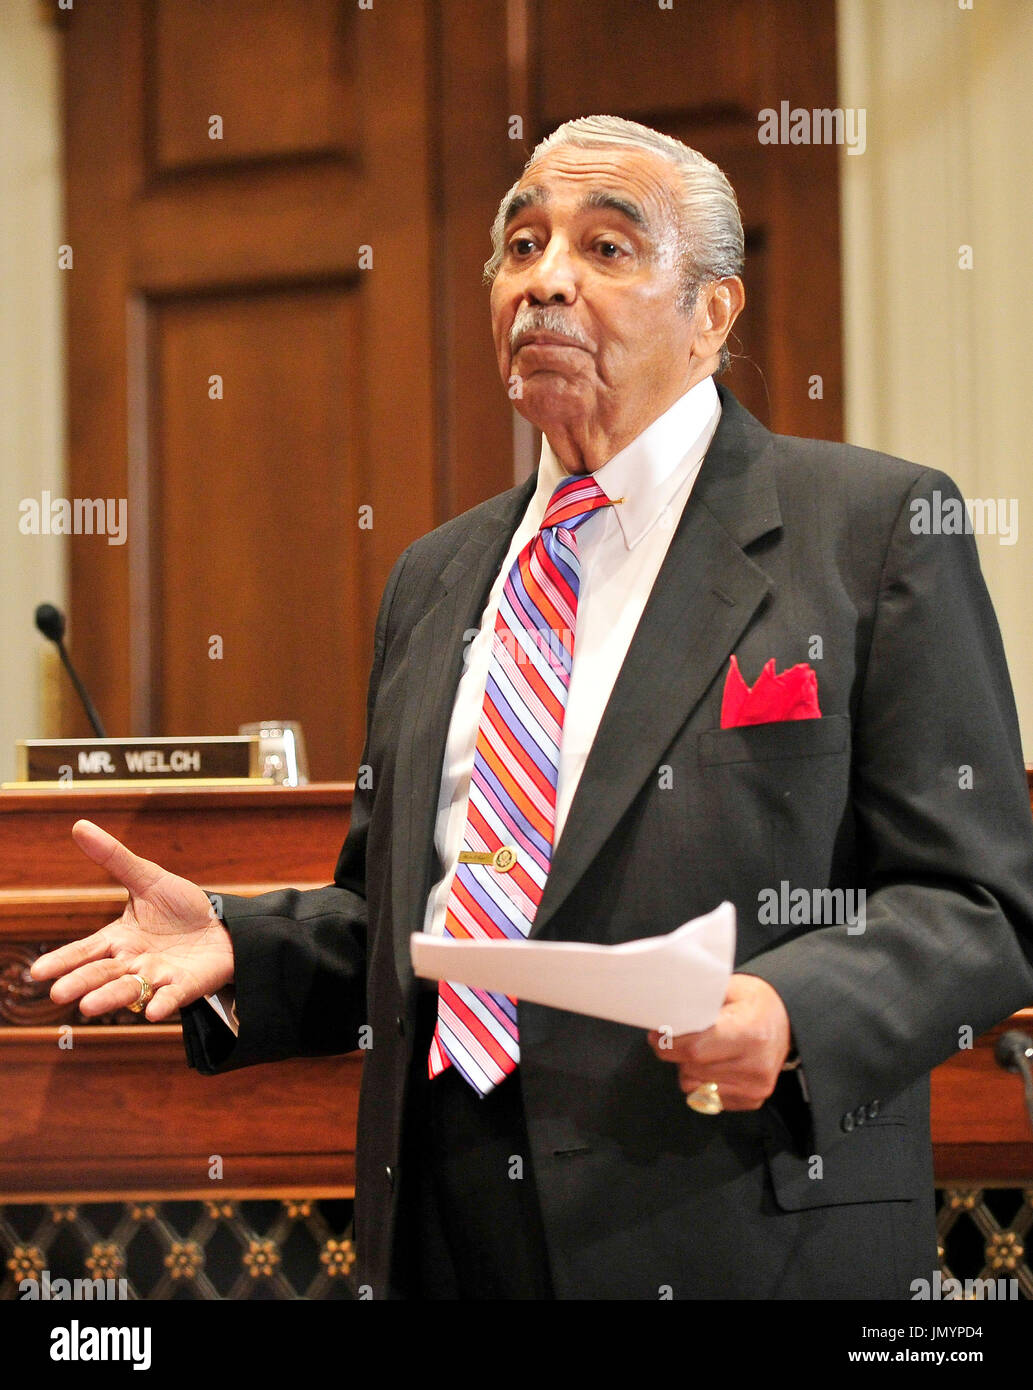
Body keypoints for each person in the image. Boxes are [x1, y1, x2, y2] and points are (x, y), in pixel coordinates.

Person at [32, 115, 1033, 1300]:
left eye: (607, 249)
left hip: (735, 1227)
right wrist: (243, 943)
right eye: (521, 244)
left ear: (713, 312)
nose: (545, 278)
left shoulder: (868, 533)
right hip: (449, 1226)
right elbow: (422, 918)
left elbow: (980, 905)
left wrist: (793, 1008)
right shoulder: (436, 576)